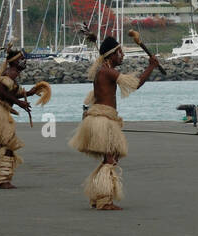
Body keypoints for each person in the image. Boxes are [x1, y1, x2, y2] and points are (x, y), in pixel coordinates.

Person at [68, 36, 159, 211]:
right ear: (111, 55)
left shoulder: (103, 70)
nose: (123, 55)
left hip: (103, 118)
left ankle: (98, 195)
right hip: (103, 121)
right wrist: (151, 67)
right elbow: (135, 84)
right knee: (110, 159)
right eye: (120, 52)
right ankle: (104, 200)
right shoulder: (106, 72)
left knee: (112, 157)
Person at [0, 47, 50, 189]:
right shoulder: (11, 73)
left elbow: (10, 93)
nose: (24, 61)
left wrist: (30, 93)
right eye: (21, 59)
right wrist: (19, 103)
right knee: (9, 144)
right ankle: (2, 179)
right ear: (14, 62)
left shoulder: (12, 73)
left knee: (5, 144)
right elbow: (2, 92)